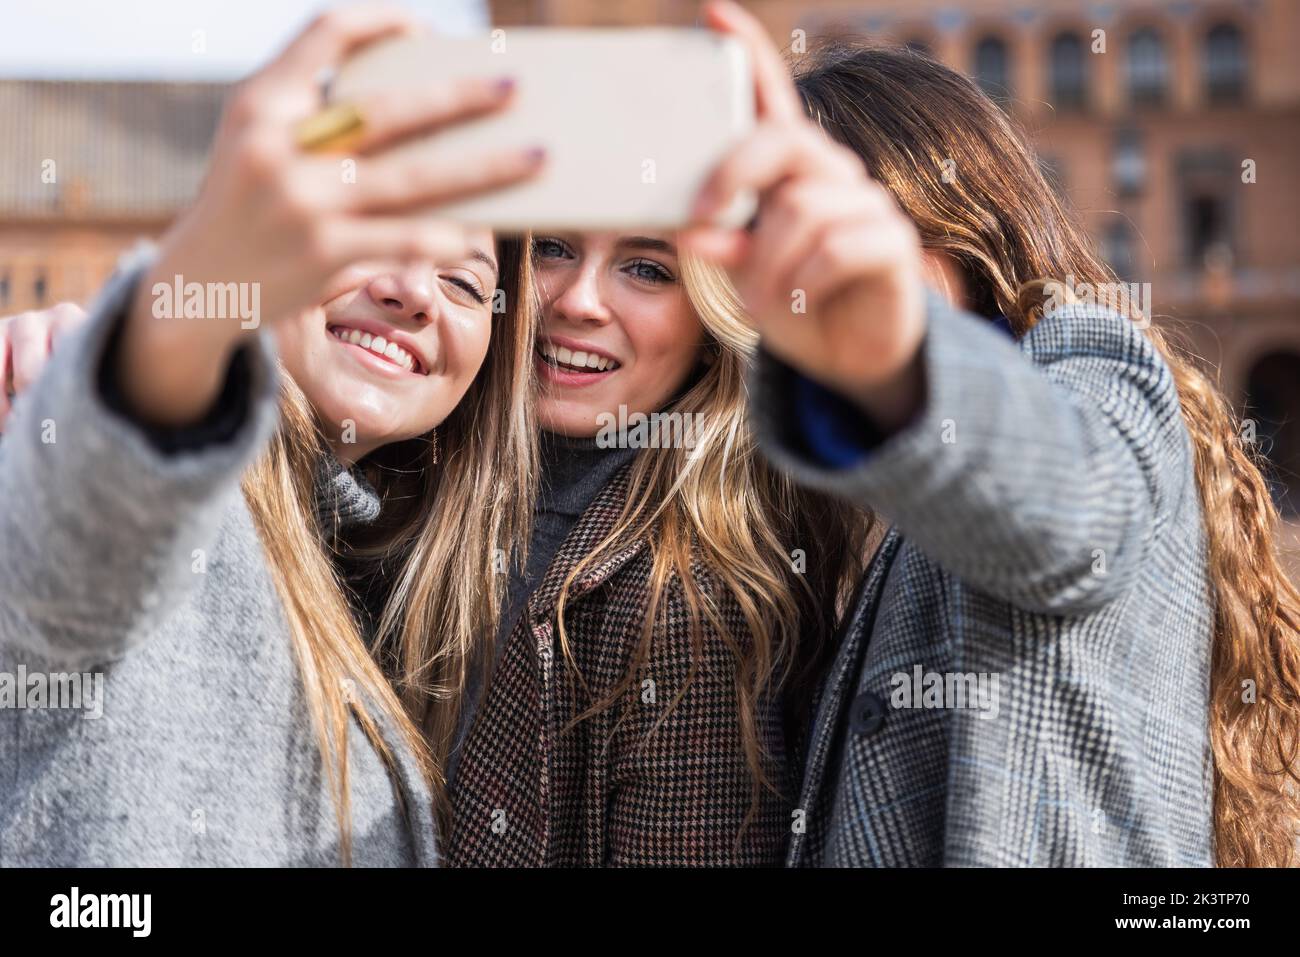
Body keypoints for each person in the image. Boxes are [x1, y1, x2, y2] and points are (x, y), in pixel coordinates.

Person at [683, 1, 1300, 866]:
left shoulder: (1086, 359)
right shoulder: (848, 485)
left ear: (960, 219)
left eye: (843, 230)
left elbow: (1075, 507)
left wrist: (897, 353)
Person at [0, 3, 542, 866]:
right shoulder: (179, 513)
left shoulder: (399, 575)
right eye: (371, 228)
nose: (414, 290)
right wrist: (145, 359)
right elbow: (78, 545)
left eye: (466, 284)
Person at [442, 226, 872, 864]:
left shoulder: (690, 610)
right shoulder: (409, 477)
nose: (578, 302)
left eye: (647, 269)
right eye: (552, 247)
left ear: (713, 323)